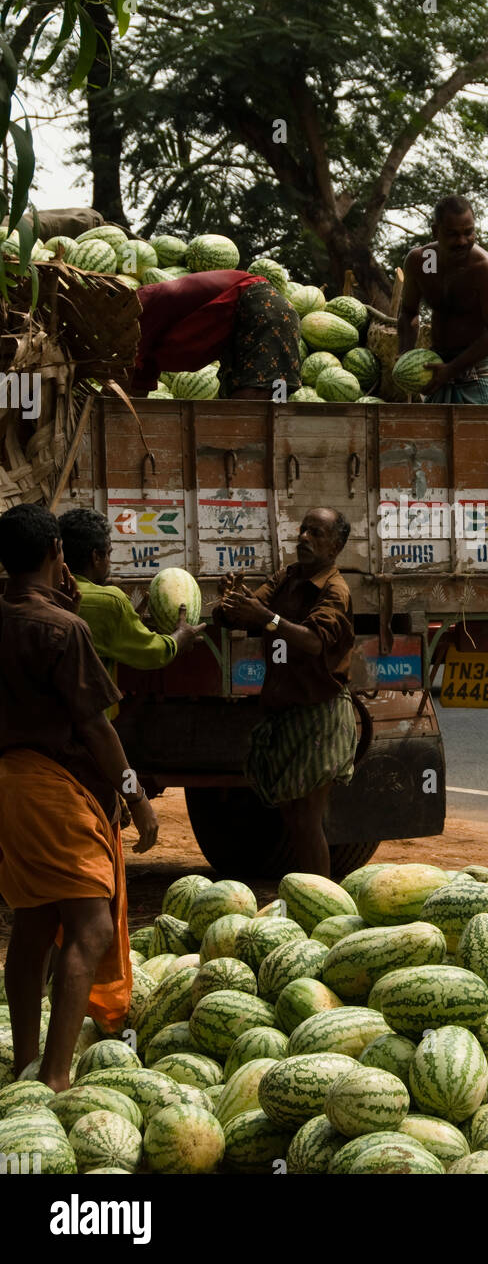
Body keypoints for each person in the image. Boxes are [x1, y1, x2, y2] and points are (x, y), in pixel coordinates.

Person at [0, 504, 159, 1090]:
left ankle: (24, 1064)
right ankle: (57, 1078)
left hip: (11, 787)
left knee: (34, 921)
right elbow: (96, 726)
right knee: (90, 927)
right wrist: (135, 795)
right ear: (55, 554)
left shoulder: (19, 616)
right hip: (57, 789)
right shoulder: (66, 630)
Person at [213, 507, 356, 877]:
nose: (304, 538)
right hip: (287, 713)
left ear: (336, 546)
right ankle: (308, 894)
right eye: (303, 530)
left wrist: (267, 618)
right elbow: (245, 612)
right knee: (294, 817)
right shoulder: (287, 576)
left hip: (320, 716)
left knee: (308, 820)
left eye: (317, 533)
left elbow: (313, 641)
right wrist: (230, 601)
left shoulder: (335, 591)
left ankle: (323, 902)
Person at [57, 508, 207, 720]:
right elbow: (151, 653)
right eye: (108, 553)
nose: (110, 561)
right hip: (89, 725)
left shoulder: (48, 593)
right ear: (95, 557)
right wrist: (180, 637)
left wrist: (128, 621)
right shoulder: (110, 602)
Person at [397, 196, 488, 403]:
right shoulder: (423, 262)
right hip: (439, 360)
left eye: (468, 232)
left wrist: (451, 370)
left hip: (482, 364)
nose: (462, 241)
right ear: (435, 231)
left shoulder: (487, 270)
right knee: (434, 433)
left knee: (484, 432)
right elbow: (408, 312)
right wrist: (404, 354)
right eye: (453, 234)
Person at [130, 270, 302, 400]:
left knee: (257, 391)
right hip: (252, 316)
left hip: (261, 305)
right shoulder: (137, 335)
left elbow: (127, 366)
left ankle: (249, 444)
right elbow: (137, 383)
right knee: (243, 391)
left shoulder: (139, 306)